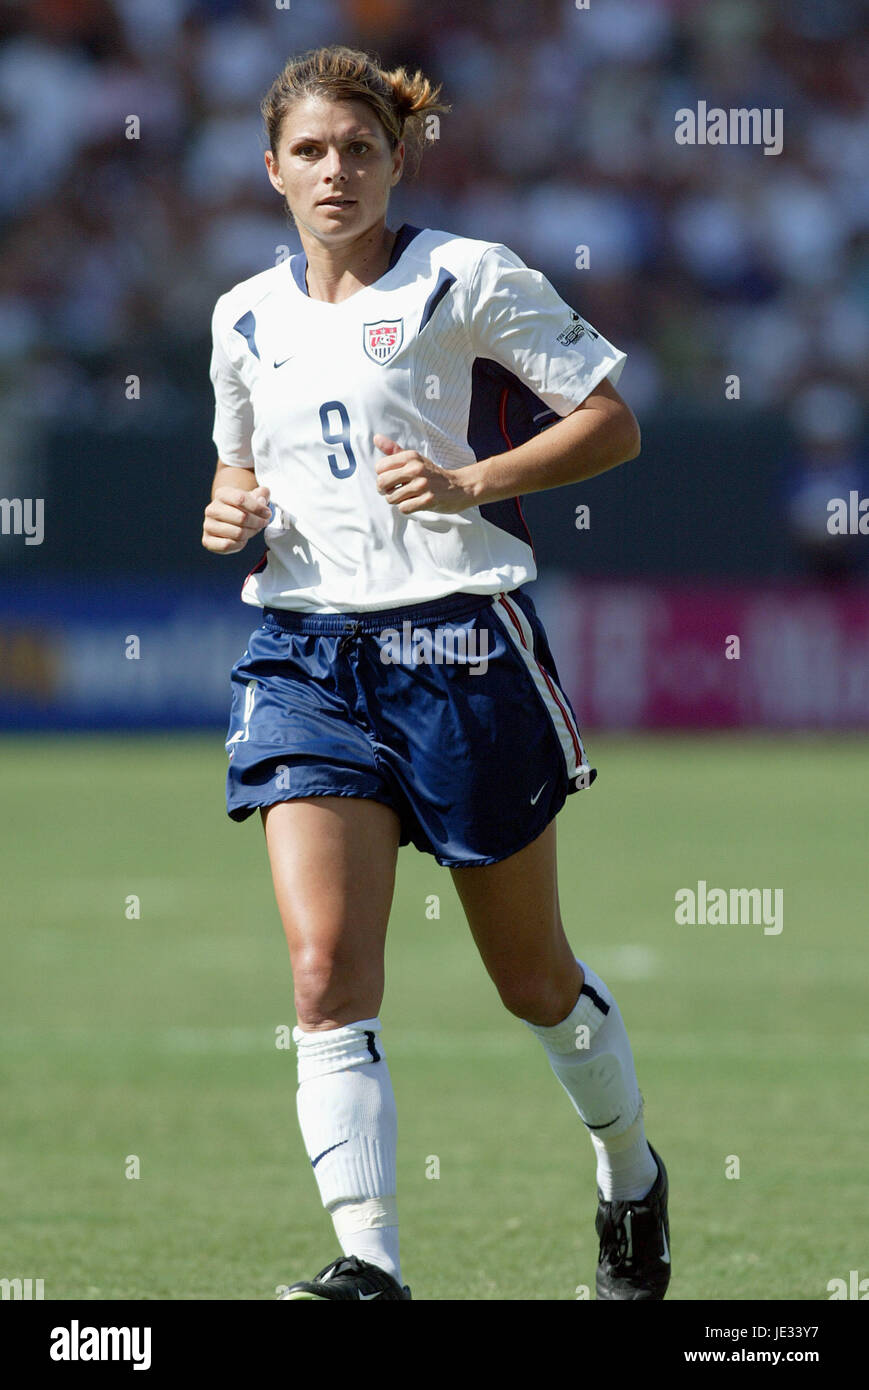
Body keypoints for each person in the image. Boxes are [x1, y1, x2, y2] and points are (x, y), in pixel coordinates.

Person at [202, 43, 668, 1302]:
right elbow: (238, 471)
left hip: (459, 645)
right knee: (322, 971)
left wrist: (473, 481)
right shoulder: (240, 317)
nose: (335, 169)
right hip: (303, 649)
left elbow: (610, 419)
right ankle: (369, 1263)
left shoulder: (465, 275)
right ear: (273, 171)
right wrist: (227, 505)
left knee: (531, 981)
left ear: (396, 160)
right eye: (309, 151)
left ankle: (628, 1174)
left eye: (358, 148)